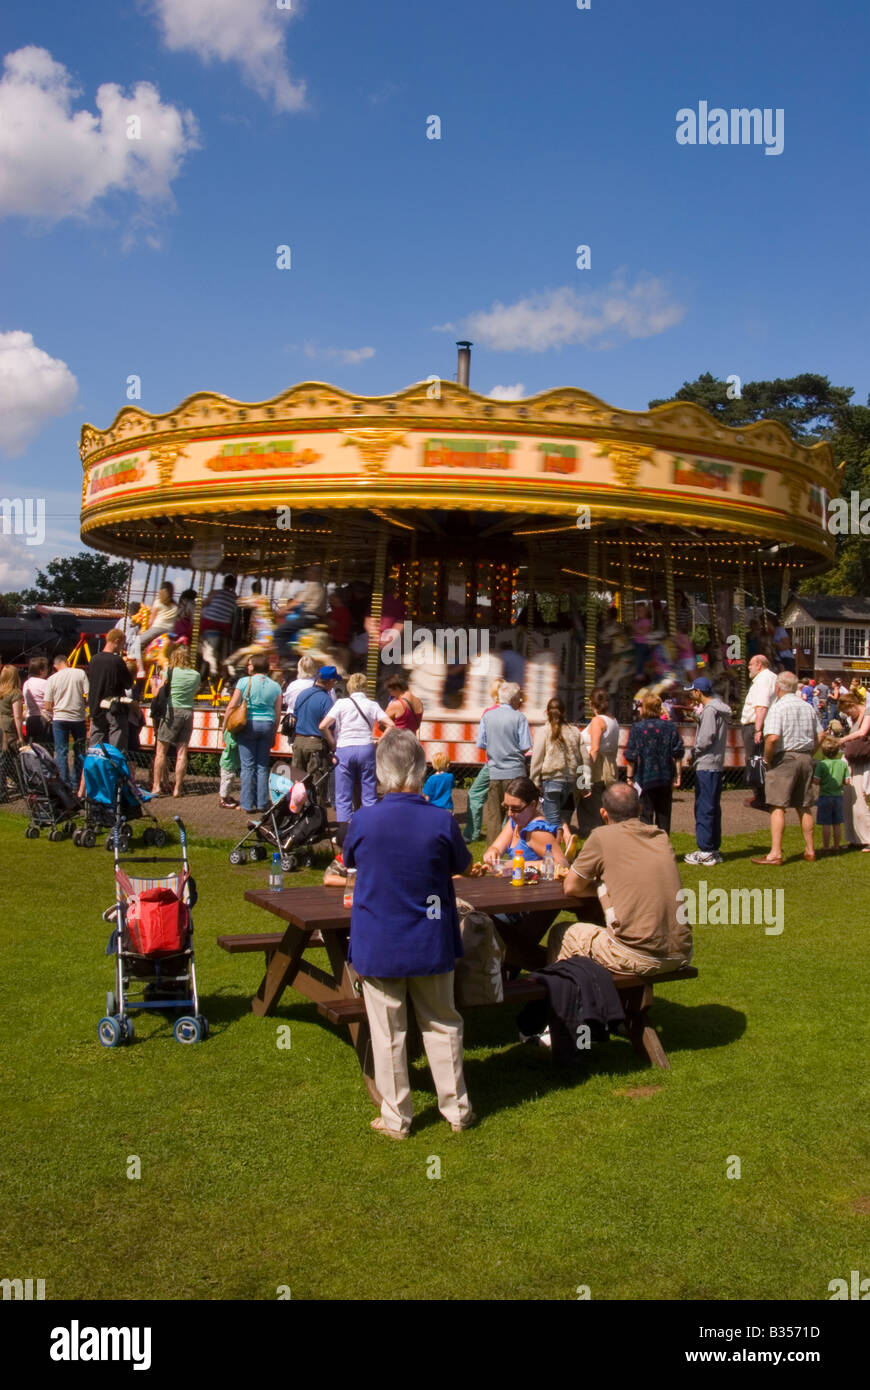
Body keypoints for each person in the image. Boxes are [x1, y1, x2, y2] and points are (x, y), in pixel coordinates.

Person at [344, 729, 476, 1138]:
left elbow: (350, 859)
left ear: (381, 772)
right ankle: (457, 1111)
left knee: (388, 1032)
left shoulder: (364, 818)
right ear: (419, 770)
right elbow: (464, 864)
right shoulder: (440, 819)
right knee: (442, 1022)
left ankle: (396, 1117)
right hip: (429, 939)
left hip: (380, 939)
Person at [550, 783, 693, 977]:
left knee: (562, 933)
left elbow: (571, 886)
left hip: (637, 954)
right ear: (640, 809)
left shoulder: (601, 836)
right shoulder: (660, 836)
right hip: (680, 952)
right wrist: (610, 888)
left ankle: (562, 1002)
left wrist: (603, 887)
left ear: (603, 813)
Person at [481, 776, 569, 971]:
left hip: (526, 904)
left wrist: (522, 865)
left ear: (533, 804)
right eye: (507, 807)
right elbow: (496, 846)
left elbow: (562, 864)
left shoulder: (536, 831)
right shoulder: (516, 822)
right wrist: (492, 853)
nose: (510, 813)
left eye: (516, 808)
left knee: (477, 921)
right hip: (512, 896)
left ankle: (528, 963)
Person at [751, 670, 822, 866]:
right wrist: (810, 752)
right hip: (806, 757)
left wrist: (767, 758)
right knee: (804, 804)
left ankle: (775, 853)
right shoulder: (807, 707)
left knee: (777, 805)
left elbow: (772, 737)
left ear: (778, 687)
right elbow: (821, 735)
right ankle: (810, 849)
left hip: (785, 758)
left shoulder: (778, 707)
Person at [318, 672, 393, 822]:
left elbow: (323, 725)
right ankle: (369, 826)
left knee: (343, 792)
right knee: (369, 790)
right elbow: (391, 724)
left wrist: (332, 741)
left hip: (344, 748)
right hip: (366, 747)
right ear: (365, 688)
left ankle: (345, 828)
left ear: (349, 687)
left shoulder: (341, 703)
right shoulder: (372, 705)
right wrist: (379, 741)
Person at [222, 653, 283, 815]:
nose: (248, 667)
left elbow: (232, 705)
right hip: (268, 725)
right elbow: (278, 713)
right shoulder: (276, 686)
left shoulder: (243, 682)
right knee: (262, 766)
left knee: (247, 766)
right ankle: (262, 803)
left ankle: (247, 804)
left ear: (255, 665)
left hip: (248, 724)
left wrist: (225, 725)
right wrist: (274, 731)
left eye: (249, 664)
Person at [683, 677, 731, 866]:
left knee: (704, 807)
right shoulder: (719, 708)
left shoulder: (710, 710)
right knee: (712, 807)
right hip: (716, 763)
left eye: (692, 691)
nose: (691, 694)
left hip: (706, 763)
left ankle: (705, 850)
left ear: (698, 692)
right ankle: (713, 847)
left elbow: (706, 738)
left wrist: (694, 752)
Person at [477, 681, 532, 845]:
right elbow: (525, 746)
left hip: (494, 772)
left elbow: (481, 743)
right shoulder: (519, 718)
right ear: (514, 699)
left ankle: (492, 853)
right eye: (519, 698)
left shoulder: (487, 716)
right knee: (518, 814)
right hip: (515, 773)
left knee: (494, 816)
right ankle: (518, 847)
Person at [624, 692, 684, 834]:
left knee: (645, 816)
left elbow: (631, 756)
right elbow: (678, 752)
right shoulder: (669, 727)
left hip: (644, 778)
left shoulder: (637, 728)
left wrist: (629, 778)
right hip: (665, 777)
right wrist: (678, 776)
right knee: (664, 817)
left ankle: (647, 850)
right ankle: (663, 850)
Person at [151, 647, 201, 797]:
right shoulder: (196, 675)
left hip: (172, 711)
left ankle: (156, 786)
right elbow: (195, 691)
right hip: (188, 712)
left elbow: (156, 694)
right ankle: (178, 788)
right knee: (182, 752)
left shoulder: (168, 672)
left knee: (161, 751)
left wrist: (154, 683)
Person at [529, 697, 581, 836]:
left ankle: (564, 844)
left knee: (552, 823)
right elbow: (584, 759)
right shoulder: (575, 731)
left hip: (551, 781)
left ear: (546, 712)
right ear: (565, 712)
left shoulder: (544, 731)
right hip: (570, 782)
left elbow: (537, 760)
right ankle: (566, 843)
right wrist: (583, 784)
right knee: (563, 819)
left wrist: (534, 781)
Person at [576, 687, 620, 837]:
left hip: (597, 765)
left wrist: (585, 772)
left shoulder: (597, 721)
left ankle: (589, 831)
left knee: (588, 800)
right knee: (602, 801)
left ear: (591, 703)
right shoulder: (613, 719)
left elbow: (594, 748)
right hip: (609, 764)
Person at [463, 678, 503, 842]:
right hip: (512, 763)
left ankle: (472, 833)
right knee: (506, 799)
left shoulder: (489, 712)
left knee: (475, 794)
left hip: (492, 762)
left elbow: (482, 741)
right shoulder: (516, 713)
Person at [43, 655, 89, 790]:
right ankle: (77, 783)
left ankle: (64, 783)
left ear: (55, 666)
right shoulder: (80, 673)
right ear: (67, 662)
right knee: (80, 750)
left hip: (60, 718)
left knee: (61, 751)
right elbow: (88, 694)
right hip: (78, 717)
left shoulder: (52, 679)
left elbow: (47, 705)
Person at [740, 654, 778, 809]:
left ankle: (761, 797)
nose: (748, 667)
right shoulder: (771, 678)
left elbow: (761, 706)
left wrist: (757, 729)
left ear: (759, 665)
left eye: (750, 664)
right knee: (761, 759)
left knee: (755, 760)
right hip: (761, 724)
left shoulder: (763, 680)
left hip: (755, 725)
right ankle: (764, 795)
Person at [290, 665, 339, 782]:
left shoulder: (302, 694)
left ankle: (297, 800)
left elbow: (294, 717)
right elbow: (328, 726)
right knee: (317, 783)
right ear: (331, 681)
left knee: (297, 783)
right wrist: (332, 743)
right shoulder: (326, 699)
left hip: (298, 743)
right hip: (316, 745)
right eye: (335, 681)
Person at [836, 692, 870, 851]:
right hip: (852, 759)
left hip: (864, 761)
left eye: (848, 711)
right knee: (849, 800)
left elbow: (863, 732)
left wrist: (842, 740)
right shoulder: (854, 718)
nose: (848, 714)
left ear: (852, 705)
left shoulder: (868, 711)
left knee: (860, 800)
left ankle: (868, 838)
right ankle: (854, 838)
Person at [87, 629, 131, 749]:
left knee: (96, 740)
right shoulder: (117, 661)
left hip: (96, 706)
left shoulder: (94, 659)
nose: (122, 647)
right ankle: (114, 765)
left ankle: (94, 764)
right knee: (117, 742)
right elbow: (128, 683)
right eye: (123, 643)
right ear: (117, 641)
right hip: (114, 707)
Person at [275, 565, 327, 654]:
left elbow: (297, 602)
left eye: (309, 572)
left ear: (314, 574)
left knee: (279, 632)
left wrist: (283, 609)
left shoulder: (313, 584)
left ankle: (287, 658)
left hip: (307, 617)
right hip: (317, 618)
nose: (307, 574)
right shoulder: (323, 587)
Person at [813, 734, 848, 854]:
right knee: (837, 823)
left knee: (826, 823)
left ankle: (826, 846)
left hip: (825, 796)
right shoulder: (842, 764)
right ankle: (836, 846)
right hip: (838, 796)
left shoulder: (821, 764)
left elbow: (816, 781)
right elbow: (847, 781)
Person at [200, 576, 238, 670]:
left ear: (223, 583)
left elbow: (203, 604)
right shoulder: (235, 597)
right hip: (225, 626)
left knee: (192, 632)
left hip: (210, 622)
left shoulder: (216, 592)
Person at [0, 664, 25, 800]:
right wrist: (20, 736)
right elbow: (17, 716)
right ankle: (24, 787)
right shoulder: (15, 693)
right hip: (8, 729)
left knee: (2, 761)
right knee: (17, 759)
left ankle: (2, 792)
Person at [138, 582, 178, 648]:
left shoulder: (158, 602)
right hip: (170, 631)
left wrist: (143, 630)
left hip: (157, 629)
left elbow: (151, 621)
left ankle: (135, 657)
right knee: (160, 646)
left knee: (138, 642)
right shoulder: (175, 606)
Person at [22, 656, 51, 746]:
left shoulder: (26, 683)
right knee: (45, 748)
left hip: (30, 718)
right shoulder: (45, 683)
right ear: (41, 671)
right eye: (46, 669)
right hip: (44, 719)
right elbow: (50, 701)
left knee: (32, 746)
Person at [219, 725, 241, 809]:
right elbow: (232, 744)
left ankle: (226, 796)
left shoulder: (231, 731)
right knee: (227, 779)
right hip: (228, 762)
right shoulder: (229, 731)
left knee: (230, 779)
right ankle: (223, 799)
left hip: (231, 762)